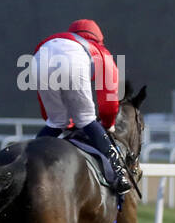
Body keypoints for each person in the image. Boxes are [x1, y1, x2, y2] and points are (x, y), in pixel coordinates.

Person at [31, 18, 131, 195]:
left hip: (39, 56)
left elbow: (46, 108)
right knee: (85, 118)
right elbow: (109, 98)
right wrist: (108, 124)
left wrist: (61, 122)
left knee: (55, 122)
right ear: (99, 39)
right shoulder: (100, 51)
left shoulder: (59, 39)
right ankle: (119, 174)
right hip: (72, 60)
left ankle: (28, 162)